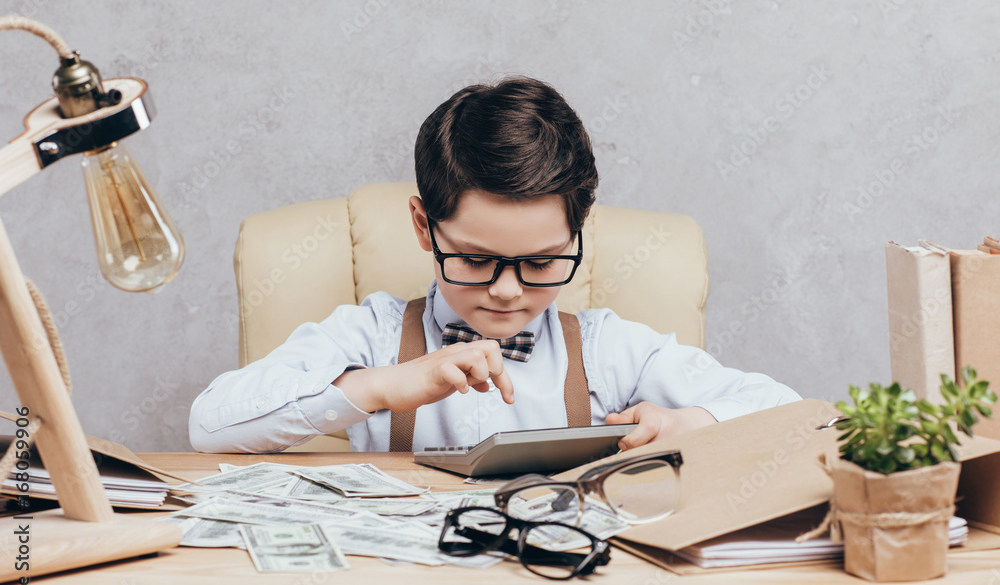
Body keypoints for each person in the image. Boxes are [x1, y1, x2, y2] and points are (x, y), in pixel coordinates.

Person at [189, 77, 800, 454]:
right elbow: (209, 426)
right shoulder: (371, 336)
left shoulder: (612, 351)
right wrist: (374, 387)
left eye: (541, 262)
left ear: (577, 233)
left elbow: (796, 415)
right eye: (477, 260)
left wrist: (697, 422)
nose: (508, 291)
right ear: (424, 226)